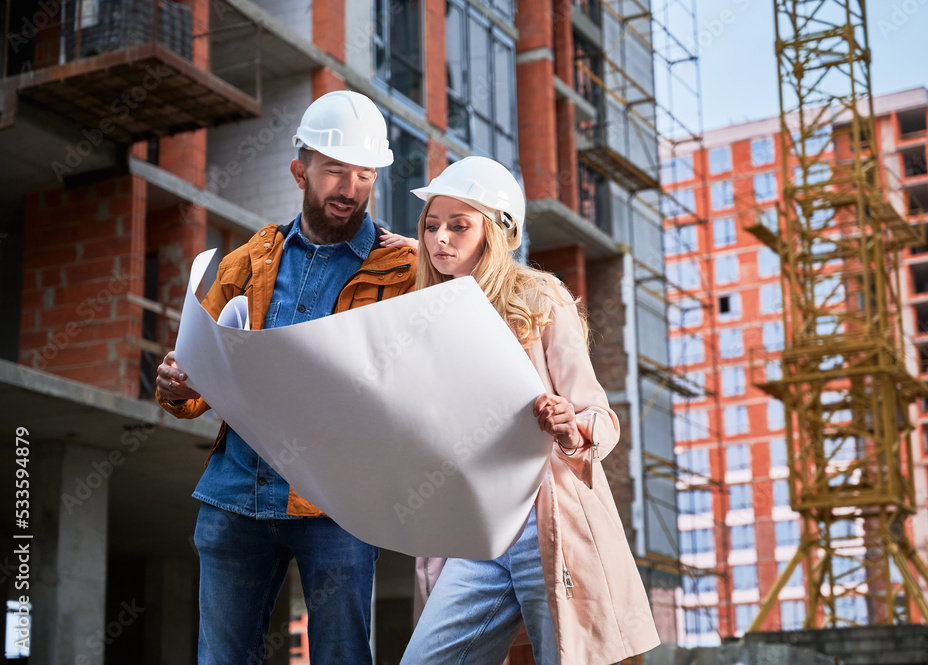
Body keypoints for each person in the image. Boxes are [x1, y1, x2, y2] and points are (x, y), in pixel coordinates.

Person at [154, 90, 415, 665]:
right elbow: (196, 379)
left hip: (336, 503)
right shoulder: (250, 260)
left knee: (341, 656)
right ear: (300, 170)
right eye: (334, 171)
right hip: (234, 495)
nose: (350, 188)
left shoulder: (404, 270)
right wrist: (177, 383)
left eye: (364, 174)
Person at [392, 156, 660, 665]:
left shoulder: (540, 300)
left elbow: (600, 415)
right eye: (430, 226)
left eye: (458, 225)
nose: (439, 239)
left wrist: (570, 426)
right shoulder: (428, 313)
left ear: (495, 233)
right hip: (477, 533)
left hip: (547, 526)